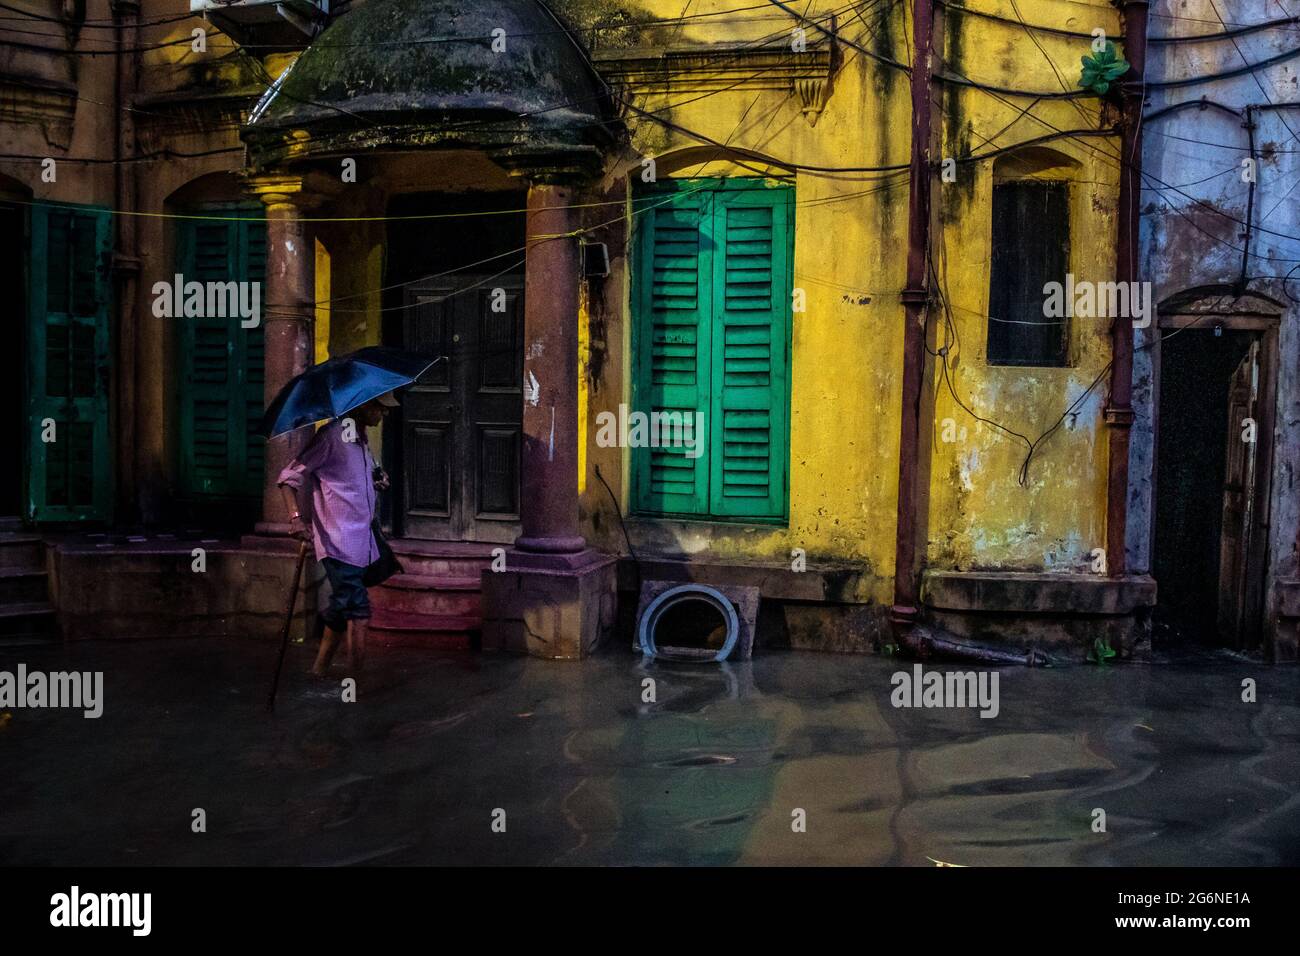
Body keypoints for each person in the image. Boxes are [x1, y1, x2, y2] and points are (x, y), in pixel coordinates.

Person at [277, 393, 397, 676]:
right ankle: (355, 684)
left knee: (343, 603)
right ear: (365, 406)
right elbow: (288, 477)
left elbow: (355, 479)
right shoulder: (331, 437)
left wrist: (376, 479)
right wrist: (295, 520)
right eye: (380, 408)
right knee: (358, 608)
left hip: (362, 540)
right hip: (338, 541)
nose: (384, 414)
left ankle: (318, 669)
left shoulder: (362, 441)